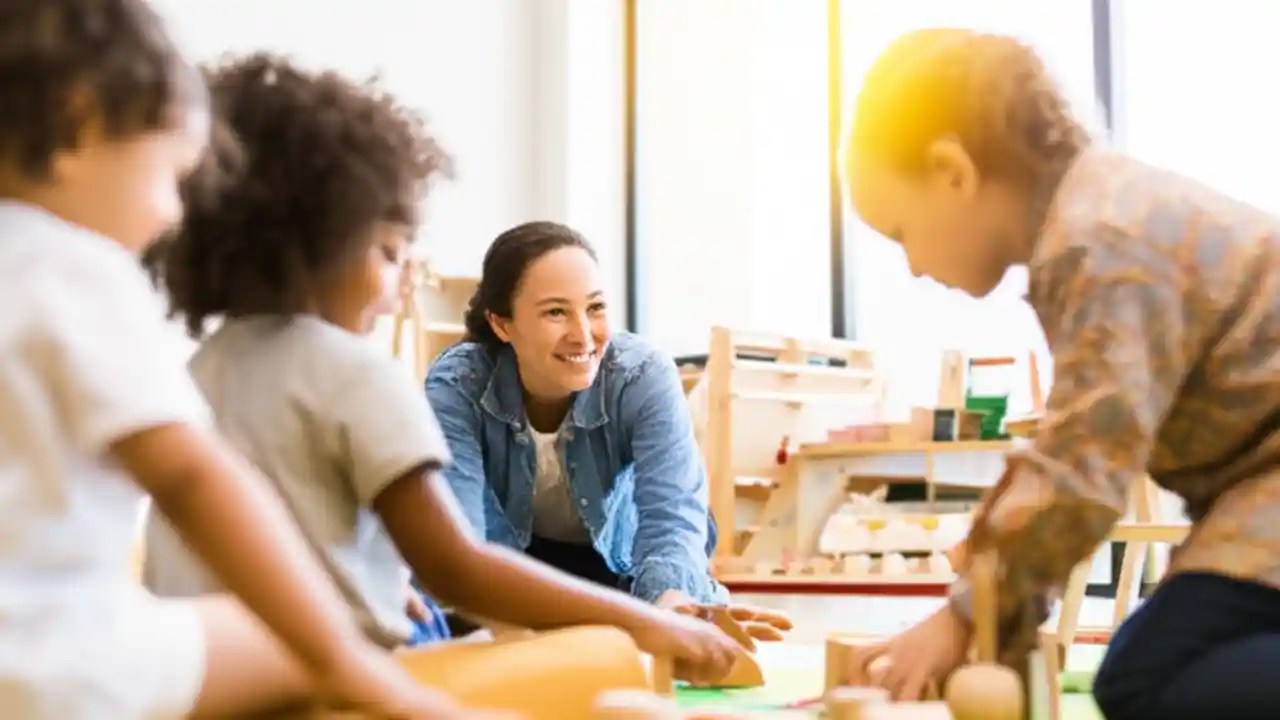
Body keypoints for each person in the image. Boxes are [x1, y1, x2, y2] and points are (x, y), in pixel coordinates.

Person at [140, 53, 740, 686]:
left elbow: (277, 526)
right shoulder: (357, 373)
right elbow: (457, 564)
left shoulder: (202, 366)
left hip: (206, 663)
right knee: (601, 658)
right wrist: (650, 625)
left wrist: (378, 578)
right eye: (392, 253)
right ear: (322, 246)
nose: (405, 282)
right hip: (324, 671)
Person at [0, 1, 493, 718]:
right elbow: (194, 478)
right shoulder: (70, 269)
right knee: (289, 637)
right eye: (171, 176)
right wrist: (346, 662)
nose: (174, 212)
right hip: (50, 664)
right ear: (77, 126)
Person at [839, 27, 1280, 719]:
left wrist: (961, 617)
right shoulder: (1094, 219)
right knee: (1146, 663)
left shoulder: (1102, 242)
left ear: (953, 172)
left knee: (1149, 678)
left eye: (902, 232)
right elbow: (1070, 446)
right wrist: (992, 608)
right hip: (1255, 487)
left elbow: (1081, 469)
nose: (914, 267)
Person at [426, 222, 785, 629]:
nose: (583, 336)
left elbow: (673, 513)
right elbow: (456, 537)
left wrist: (672, 608)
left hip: (628, 568)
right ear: (502, 324)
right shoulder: (458, 384)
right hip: (518, 571)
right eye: (556, 312)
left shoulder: (641, 374)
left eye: (595, 308)